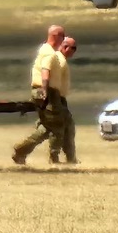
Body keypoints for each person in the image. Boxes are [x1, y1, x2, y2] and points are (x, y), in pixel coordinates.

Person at [12, 25, 65, 164]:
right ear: (56, 36)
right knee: (57, 124)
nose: (63, 39)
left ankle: (22, 151)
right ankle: (50, 157)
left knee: (48, 126)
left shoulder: (44, 49)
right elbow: (45, 72)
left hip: (46, 91)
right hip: (47, 92)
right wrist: (45, 91)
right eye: (62, 36)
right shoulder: (49, 53)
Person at [49, 36, 79, 164]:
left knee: (67, 128)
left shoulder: (60, 60)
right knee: (57, 128)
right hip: (57, 99)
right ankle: (56, 157)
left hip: (60, 99)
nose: (74, 51)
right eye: (73, 48)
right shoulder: (59, 60)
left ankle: (70, 157)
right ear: (65, 47)